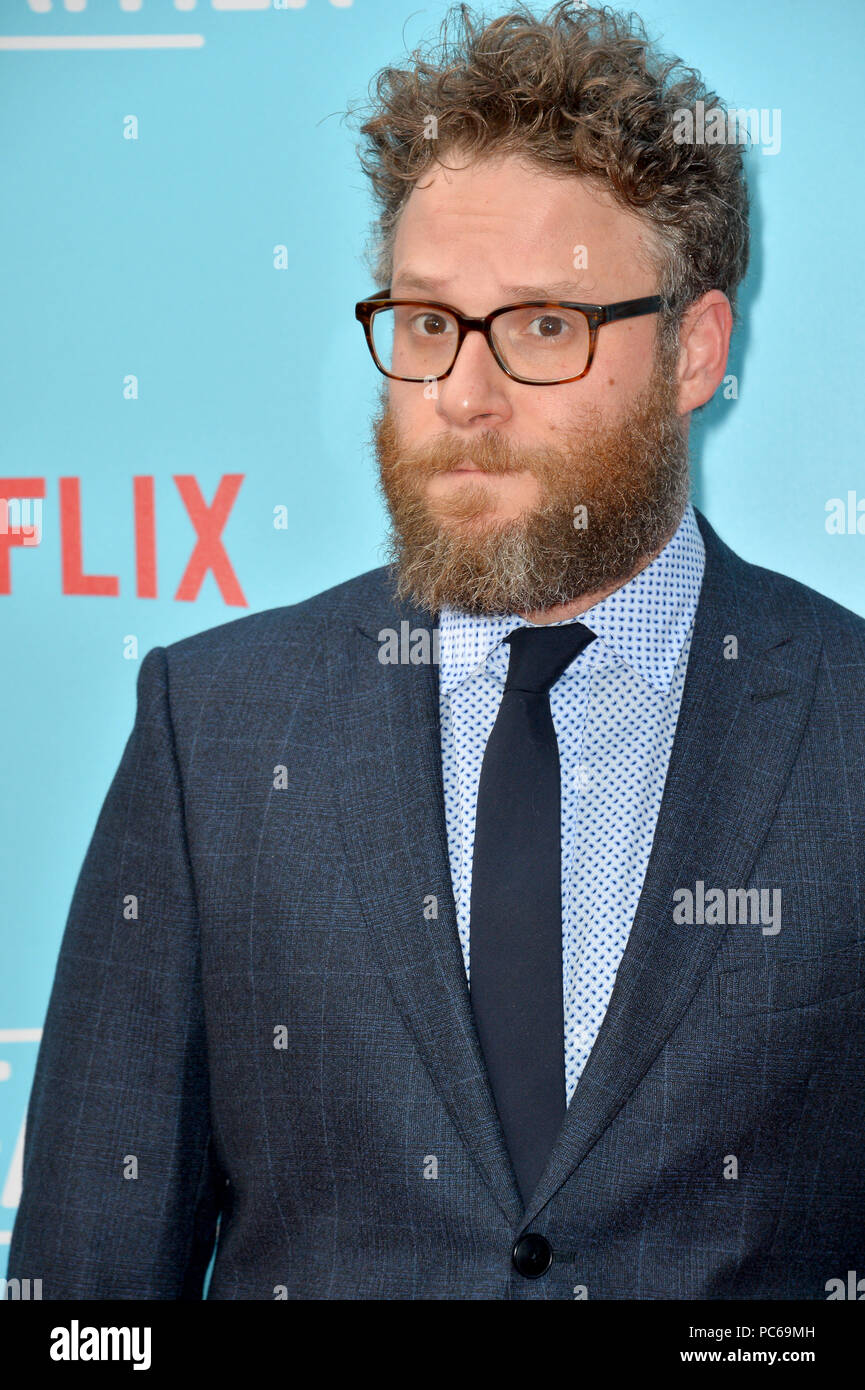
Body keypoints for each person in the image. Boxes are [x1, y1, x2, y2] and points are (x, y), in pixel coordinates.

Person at [8, 2, 865, 1300]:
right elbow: (87, 1299)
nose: (460, 396)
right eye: (423, 324)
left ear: (693, 350)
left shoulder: (848, 726)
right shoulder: (218, 731)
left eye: (538, 326)